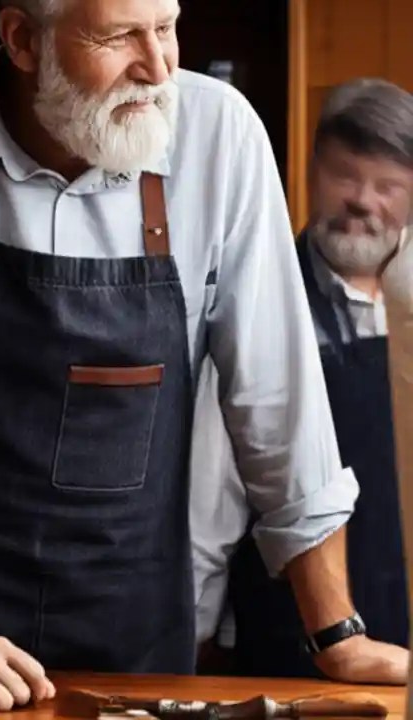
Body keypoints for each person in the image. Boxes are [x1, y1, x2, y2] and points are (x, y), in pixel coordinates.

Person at [0, 0, 409, 717]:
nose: (158, 65)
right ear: (21, 39)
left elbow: (279, 406)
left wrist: (336, 633)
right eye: (118, 36)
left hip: (135, 667)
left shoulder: (220, 135)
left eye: (167, 26)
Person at [200, 78, 413, 680]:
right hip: (291, 651)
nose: (363, 201)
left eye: (388, 185)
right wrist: (199, 630)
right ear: (312, 170)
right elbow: (212, 496)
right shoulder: (262, 301)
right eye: (346, 176)